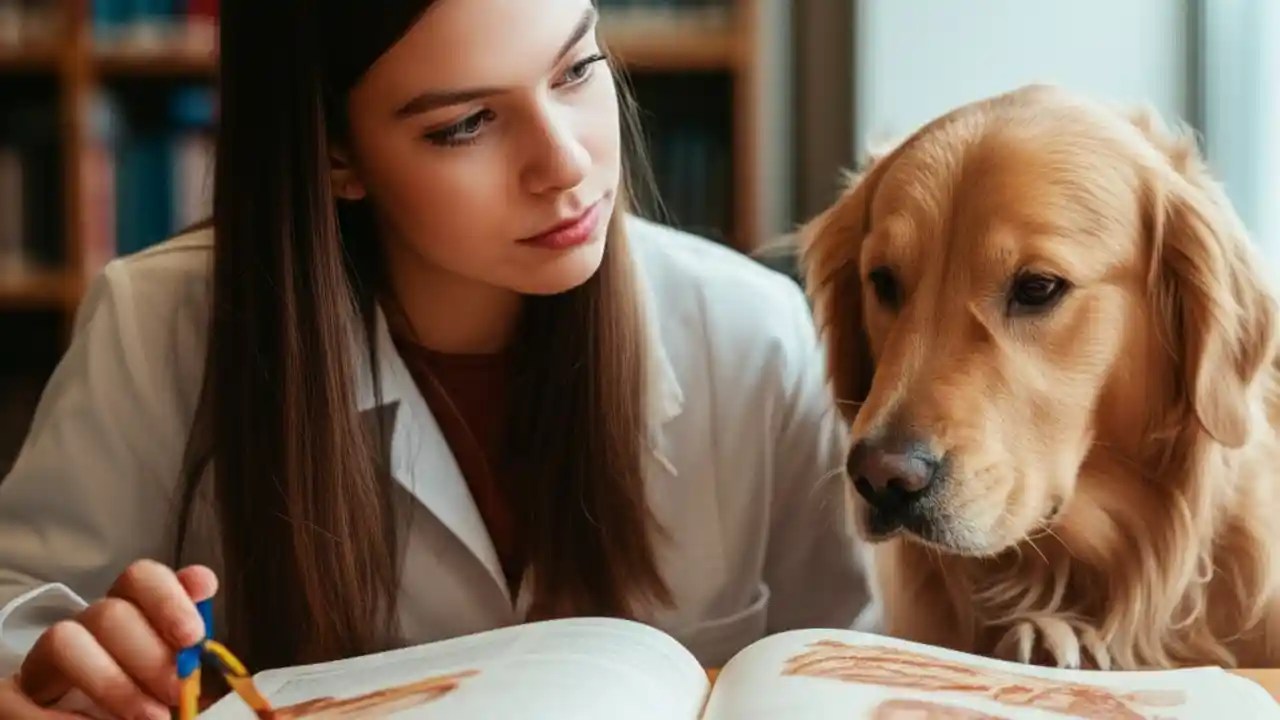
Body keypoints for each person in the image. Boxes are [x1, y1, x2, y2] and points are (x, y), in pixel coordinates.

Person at [0, 0, 871, 717]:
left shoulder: (753, 329)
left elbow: (839, 664)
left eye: (576, 71)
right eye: (466, 124)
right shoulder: (158, 325)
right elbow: (19, 619)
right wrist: (61, 667)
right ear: (338, 156)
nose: (564, 163)